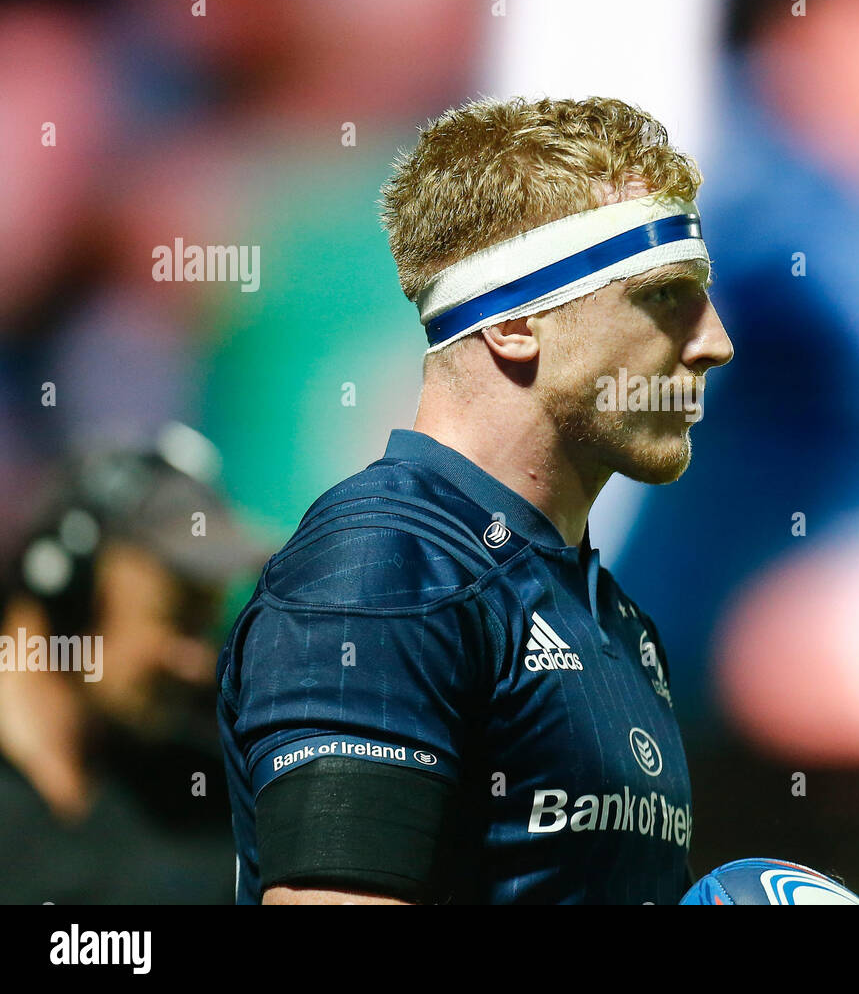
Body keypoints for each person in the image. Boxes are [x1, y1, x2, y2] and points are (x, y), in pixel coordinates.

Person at [216, 96, 734, 904]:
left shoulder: (613, 619)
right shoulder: (385, 569)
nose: (714, 341)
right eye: (667, 295)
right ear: (516, 322)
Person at [0, 422, 269, 903]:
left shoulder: (212, 804)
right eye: (174, 620)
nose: (197, 661)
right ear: (70, 595)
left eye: (205, 626)